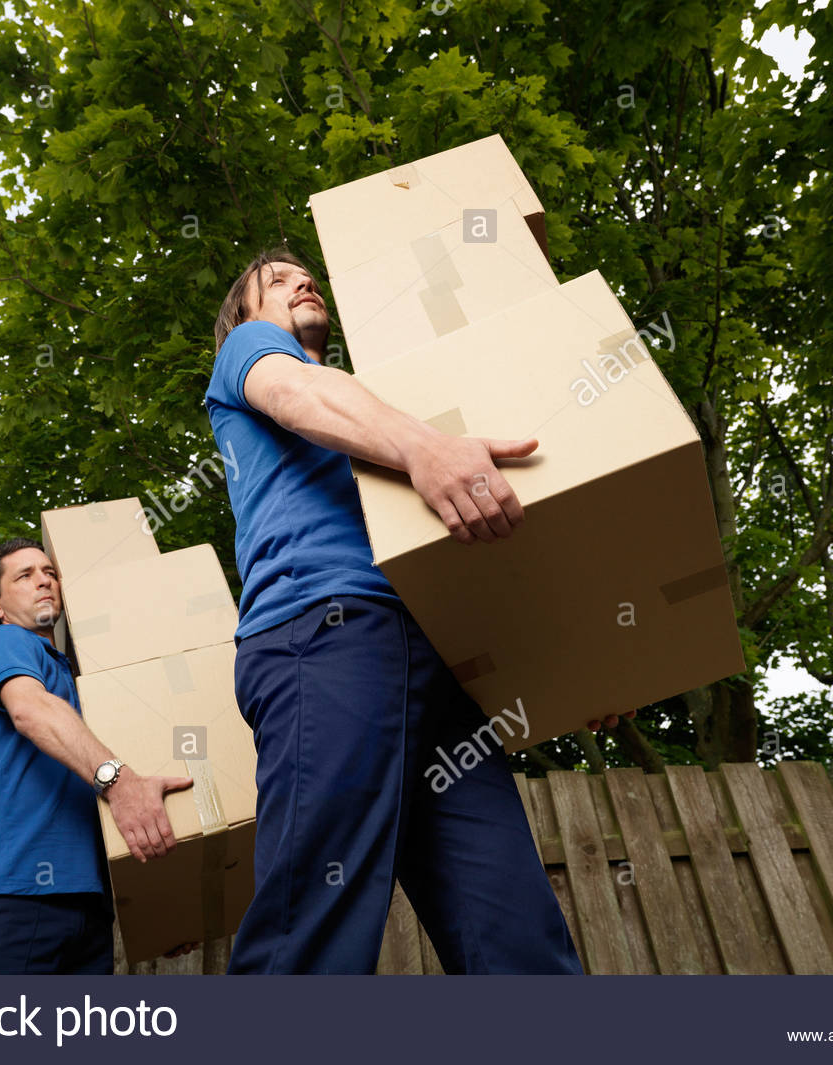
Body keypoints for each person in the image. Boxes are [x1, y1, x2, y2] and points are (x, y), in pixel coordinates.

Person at [206, 248, 631, 974]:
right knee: (315, 924)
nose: (301, 280)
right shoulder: (256, 354)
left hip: (438, 664)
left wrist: (576, 665)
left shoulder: (381, 401)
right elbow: (293, 393)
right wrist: (426, 451)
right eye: (275, 282)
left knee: (517, 938)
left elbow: (481, 556)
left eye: (306, 275)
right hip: (324, 633)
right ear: (244, 317)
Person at [0, 537, 194, 973]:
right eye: (26, 575)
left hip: (89, 911)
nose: (44, 581)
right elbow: (30, 711)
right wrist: (122, 782)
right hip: (7, 897)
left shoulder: (84, 683)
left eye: (50, 573)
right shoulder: (7, 643)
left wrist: (157, 911)